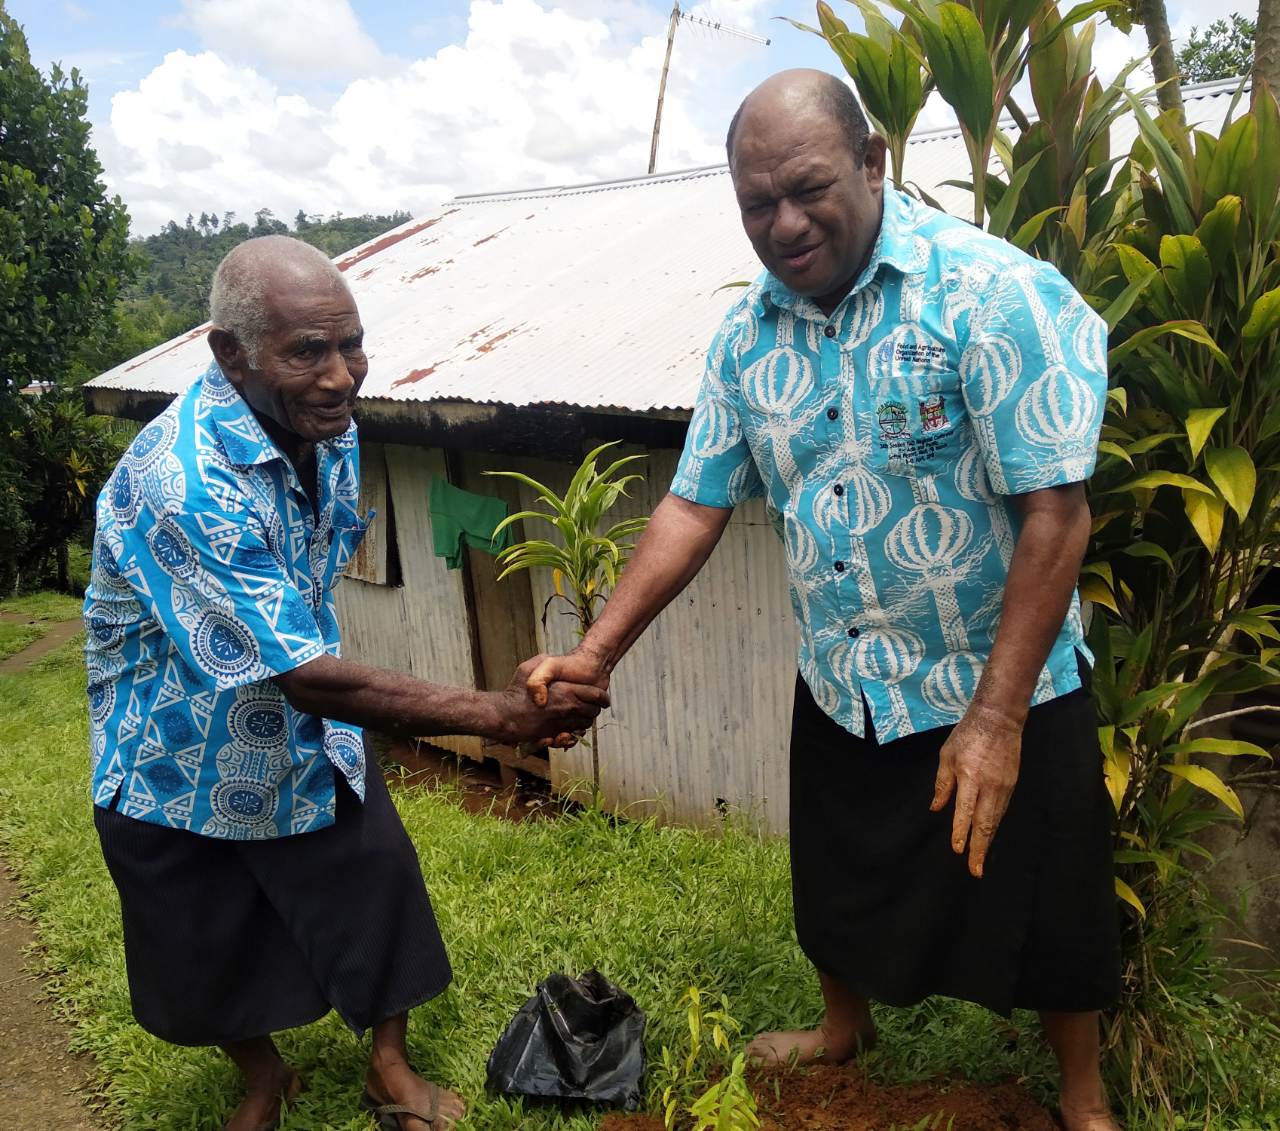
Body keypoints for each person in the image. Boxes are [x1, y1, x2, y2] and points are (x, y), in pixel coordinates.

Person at [527, 71, 1121, 1131]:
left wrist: (993, 718)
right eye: (756, 204)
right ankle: (841, 1026)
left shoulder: (991, 295)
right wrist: (600, 649)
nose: (784, 223)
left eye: (807, 189)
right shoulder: (746, 338)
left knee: (1050, 896)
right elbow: (692, 505)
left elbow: (1056, 516)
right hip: (847, 675)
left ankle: (1080, 1094)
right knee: (838, 878)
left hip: (998, 678)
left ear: (873, 161)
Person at [83, 235, 606, 1131]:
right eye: (306, 352)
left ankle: (387, 1067)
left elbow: (303, 629)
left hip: (299, 731)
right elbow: (302, 672)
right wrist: (499, 715)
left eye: (350, 344)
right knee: (201, 939)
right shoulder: (182, 479)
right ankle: (260, 1074)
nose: (339, 376)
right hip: (175, 748)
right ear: (229, 353)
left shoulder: (329, 432)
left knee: (372, 883)